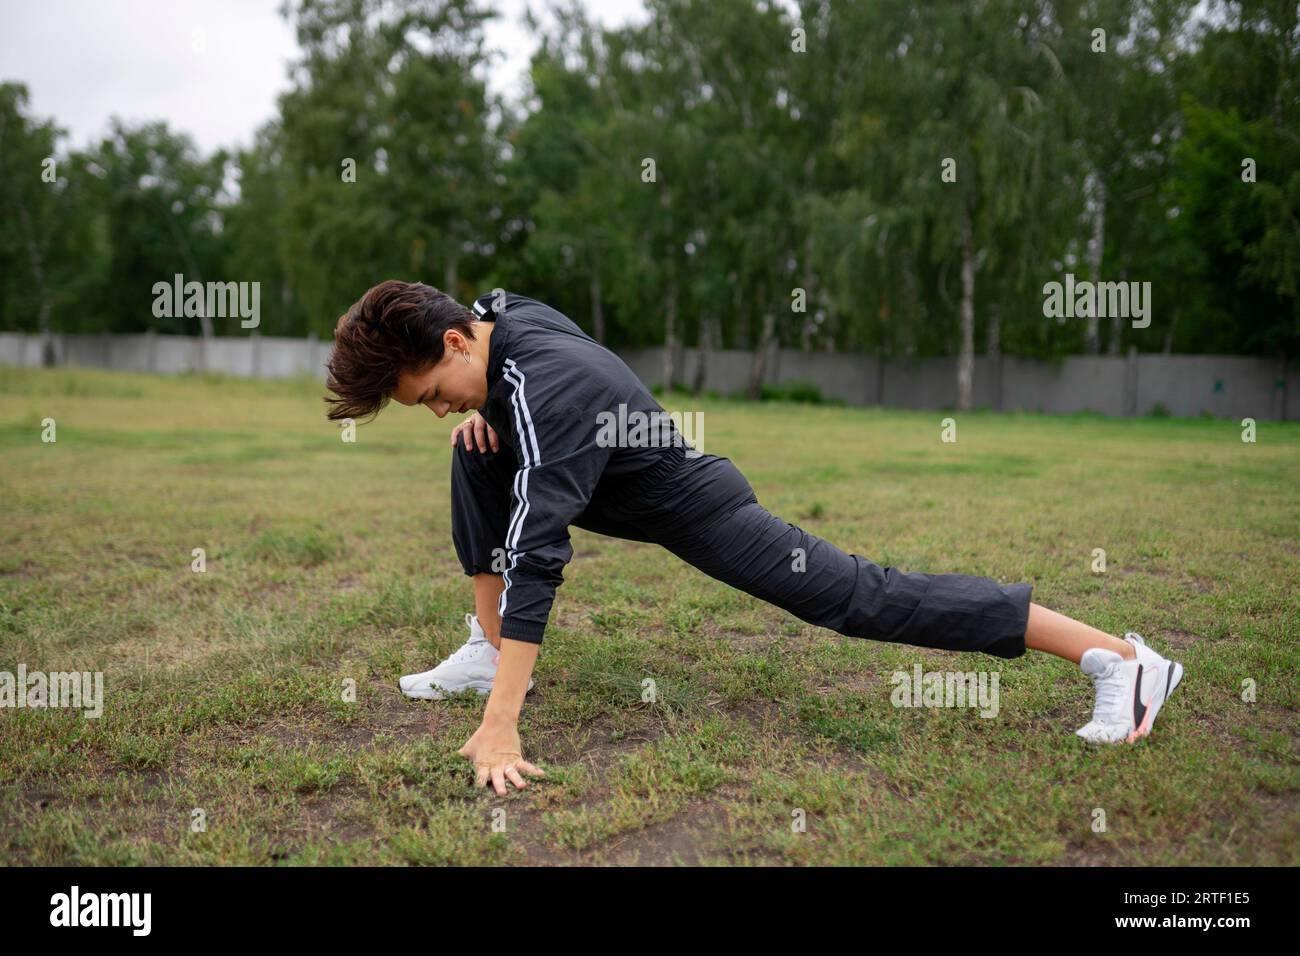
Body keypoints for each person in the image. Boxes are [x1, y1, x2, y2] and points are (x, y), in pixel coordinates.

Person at [324, 280, 1185, 796]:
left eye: (433, 390)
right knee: (474, 450)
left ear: (452, 341)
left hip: (695, 504)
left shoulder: (546, 389)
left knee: (857, 597)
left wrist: (501, 726)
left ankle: (1118, 658)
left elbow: (541, 554)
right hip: (621, 478)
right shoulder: (495, 318)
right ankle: (485, 645)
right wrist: (474, 417)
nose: (437, 405)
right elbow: (493, 348)